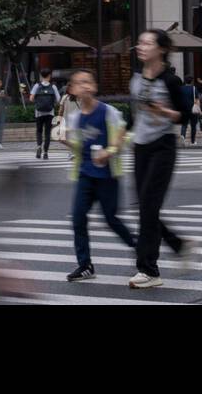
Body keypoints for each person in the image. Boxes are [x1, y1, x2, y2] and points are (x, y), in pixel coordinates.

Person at [127, 28, 192, 289]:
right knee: (144, 207)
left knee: (148, 208)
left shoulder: (170, 81)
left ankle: (148, 270)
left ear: (161, 49)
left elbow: (185, 115)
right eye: (139, 42)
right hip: (140, 147)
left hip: (163, 147)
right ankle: (177, 244)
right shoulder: (135, 80)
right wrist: (122, 133)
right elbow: (135, 115)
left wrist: (162, 111)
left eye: (147, 43)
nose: (140, 46)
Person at [64, 70, 137, 282]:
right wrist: (66, 141)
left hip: (107, 175)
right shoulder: (75, 117)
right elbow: (79, 147)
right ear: (73, 90)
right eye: (79, 83)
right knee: (78, 218)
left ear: (94, 87)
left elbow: (124, 136)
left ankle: (139, 248)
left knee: (111, 219)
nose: (84, 86)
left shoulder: (108, 112)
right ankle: (85, 265)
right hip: (85, 174)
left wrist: (109, 152)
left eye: (88, 81)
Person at [30, 70, 62, 159]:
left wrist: (38, 101)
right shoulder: (53, 86)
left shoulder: (37, 86)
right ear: (49, 76)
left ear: (41, 76)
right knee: (47, 133)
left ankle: (39, 146)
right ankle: (45, 153)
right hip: (50, 113)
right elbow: (59, 100)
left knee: (39, 131)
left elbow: (31, 98)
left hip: (39, 113)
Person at [179, 74, 202, 145]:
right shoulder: (194, 88)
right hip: (193, 109)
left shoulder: (181, 88)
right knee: (193, 126)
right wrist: (199, 110)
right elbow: (197, 100)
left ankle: (183, 135)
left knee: (184, 124)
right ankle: (193, 141)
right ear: (191, 81)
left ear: (185, 81)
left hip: (184, 109)